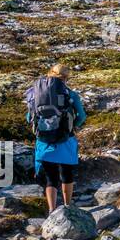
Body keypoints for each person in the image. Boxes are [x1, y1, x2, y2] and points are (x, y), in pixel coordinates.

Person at [24, 63, 87, 214]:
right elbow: (82, 116)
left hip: (44, 141)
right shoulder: (70, 94)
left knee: (50, 177)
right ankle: (67, 206)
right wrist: (72, 126)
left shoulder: (35, 93)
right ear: (66, 77)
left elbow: (29, 118)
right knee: (66, 174)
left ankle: (52, 210)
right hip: (66, 139)